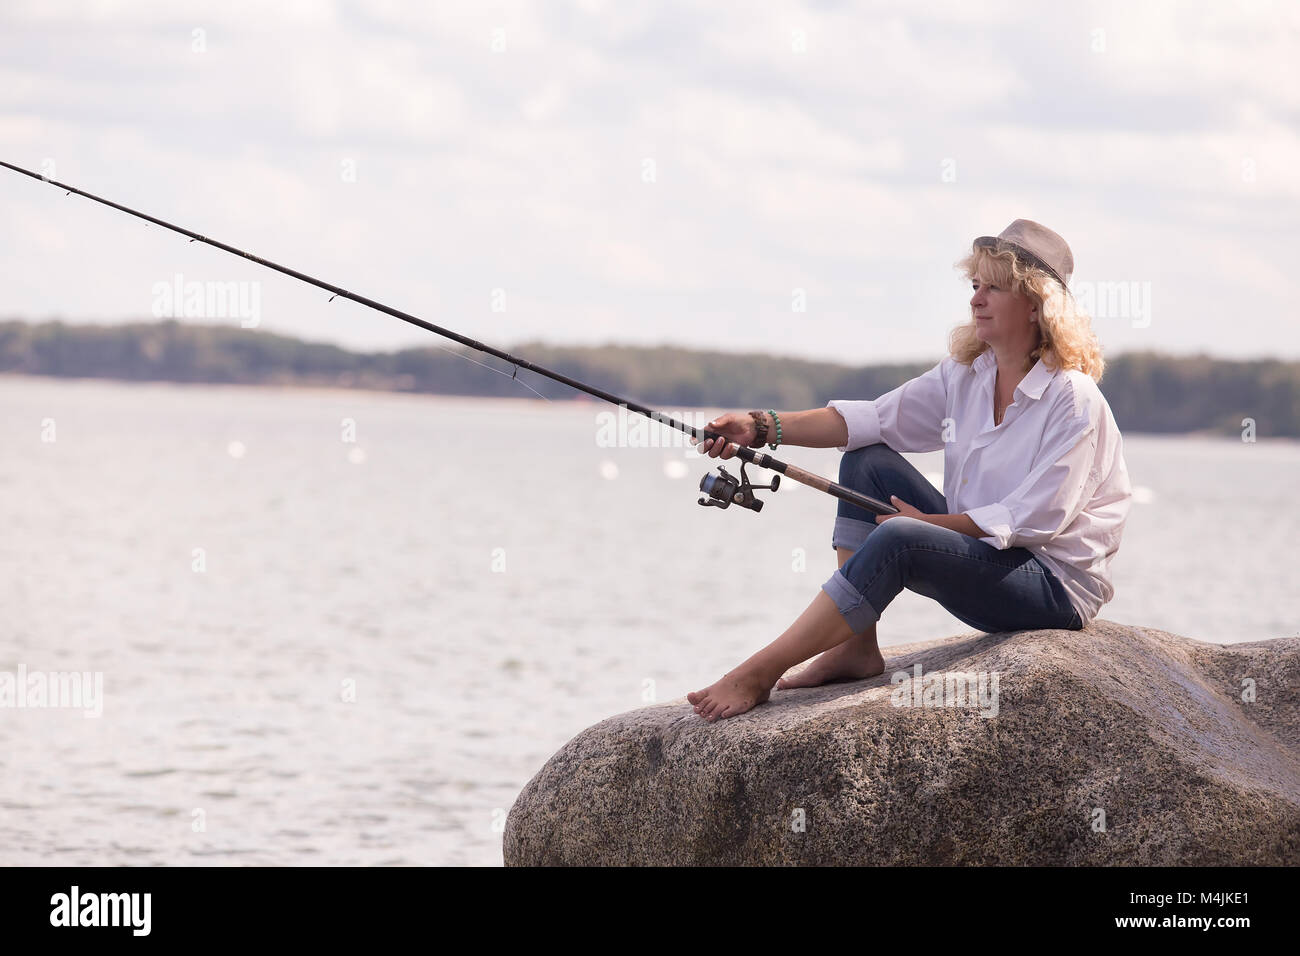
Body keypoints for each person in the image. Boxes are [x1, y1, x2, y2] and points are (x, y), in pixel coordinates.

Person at [687, 219, 1132, 722]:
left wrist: (930, 527)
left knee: (900, 538)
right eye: (974, 285)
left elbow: (1036, 519)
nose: (976, 299)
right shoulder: (967, 374)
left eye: (994, 287)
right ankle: (855, 647)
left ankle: (758, 671)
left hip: (1051, 588)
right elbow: (872, 421)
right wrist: (763, 425)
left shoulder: (1073, 399)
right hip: (984, 556)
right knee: (865, 461)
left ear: (1035, 304)